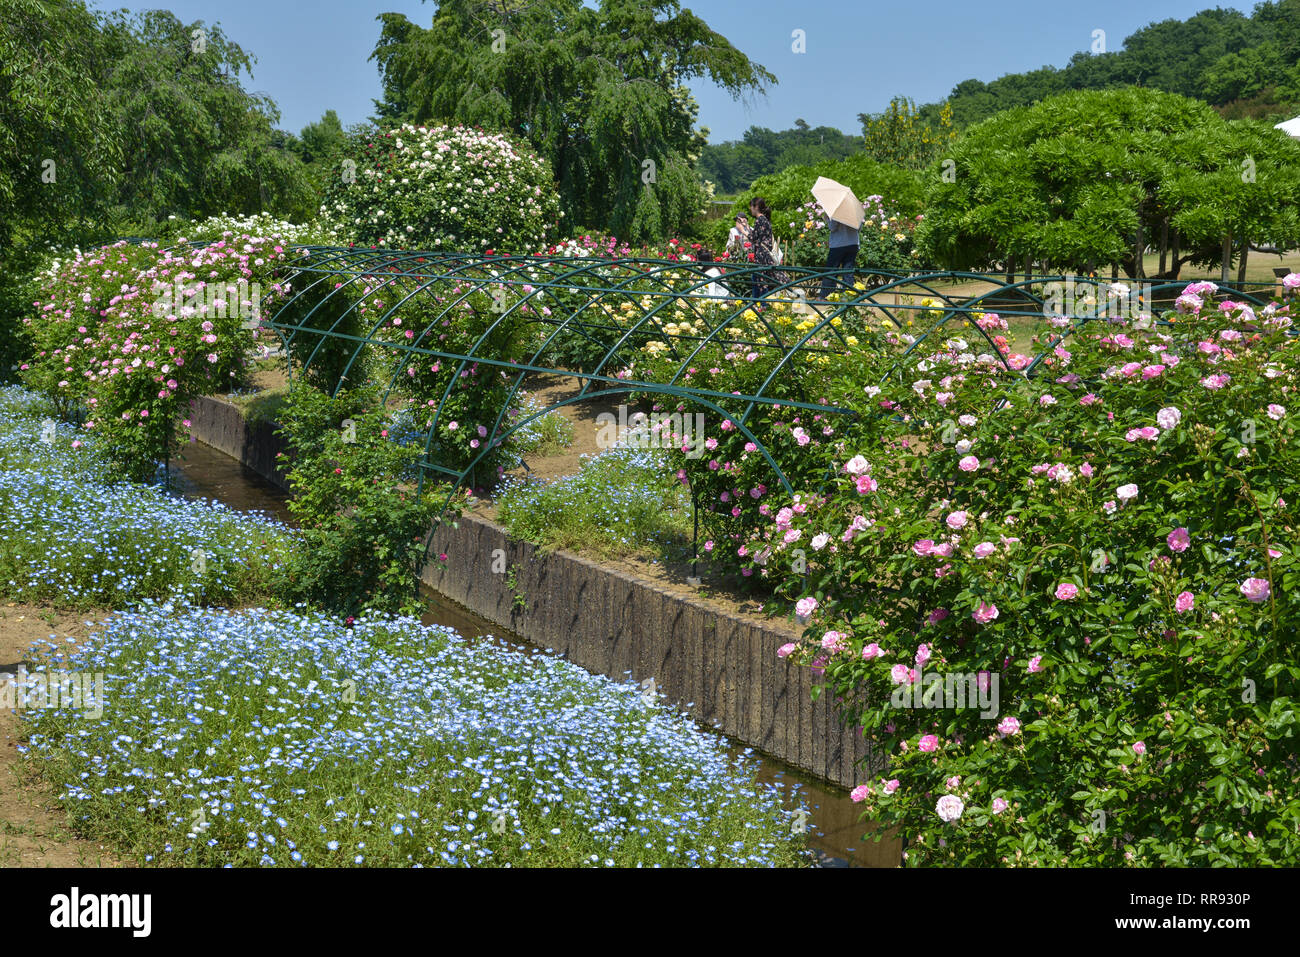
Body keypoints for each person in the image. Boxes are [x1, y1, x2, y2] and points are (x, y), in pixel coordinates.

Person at [818, 205, 861, 301]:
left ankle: (826, 296)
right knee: (848, 271)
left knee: (831, 270)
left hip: (838, 244)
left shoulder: (837, 210)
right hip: (853, 243)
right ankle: (848, 296)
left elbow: (832, 227)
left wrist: (826, 218)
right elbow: (859, 228)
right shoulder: (856, 211)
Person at [747, 197, 776, 300]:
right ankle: (757, 303)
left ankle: (761, 304)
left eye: (751, 206)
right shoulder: (764, 219)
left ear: (756, 207)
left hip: (762, 255)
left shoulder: (760, 220)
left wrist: (743, 231)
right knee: (756, 278)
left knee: (759, 280)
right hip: (764, 254)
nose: (750, 209)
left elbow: (754, 238)